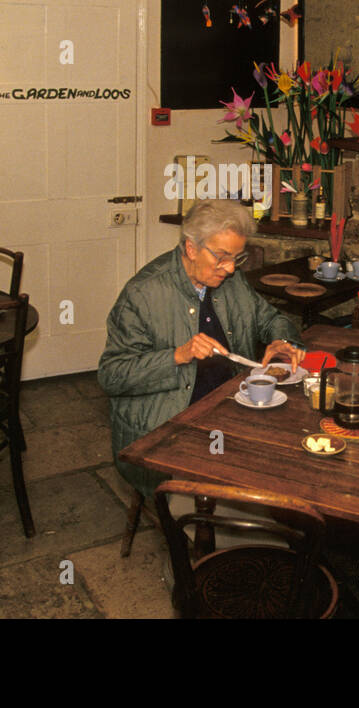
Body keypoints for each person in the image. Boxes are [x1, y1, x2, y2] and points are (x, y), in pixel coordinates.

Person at [99, 199, 304, 496]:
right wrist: (177, 355)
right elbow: (111, 376)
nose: (231, 268)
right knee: (252, 478)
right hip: (168, 426)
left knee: (292, 453)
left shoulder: (229, 280)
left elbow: (270, 318)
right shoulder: (143, 294)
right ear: (191, 248)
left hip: (230, 410)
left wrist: (282, 341)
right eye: (222, 257)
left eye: (237, 258)